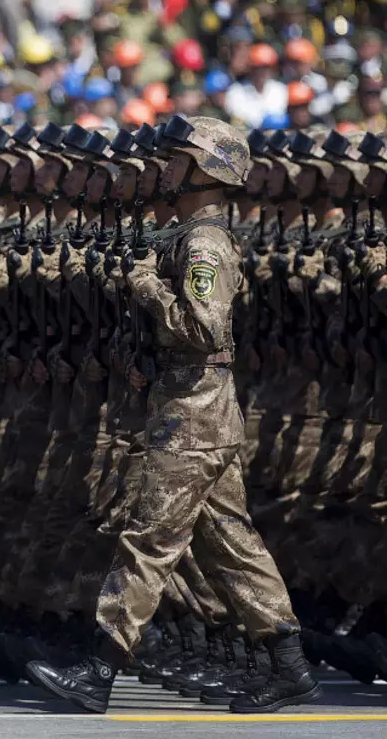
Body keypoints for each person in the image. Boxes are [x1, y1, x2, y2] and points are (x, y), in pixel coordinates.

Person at [24, 116, 321, 715]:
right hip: (192, 406)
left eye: (176, 158)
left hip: (193, 414)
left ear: (205, 167)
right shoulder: (187, 237)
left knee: (148, 537)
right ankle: (289, 666)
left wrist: (149, 290)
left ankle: (100, 668)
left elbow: (203, 326)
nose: (164, 167)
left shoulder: (204, 243)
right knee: (230, 545)